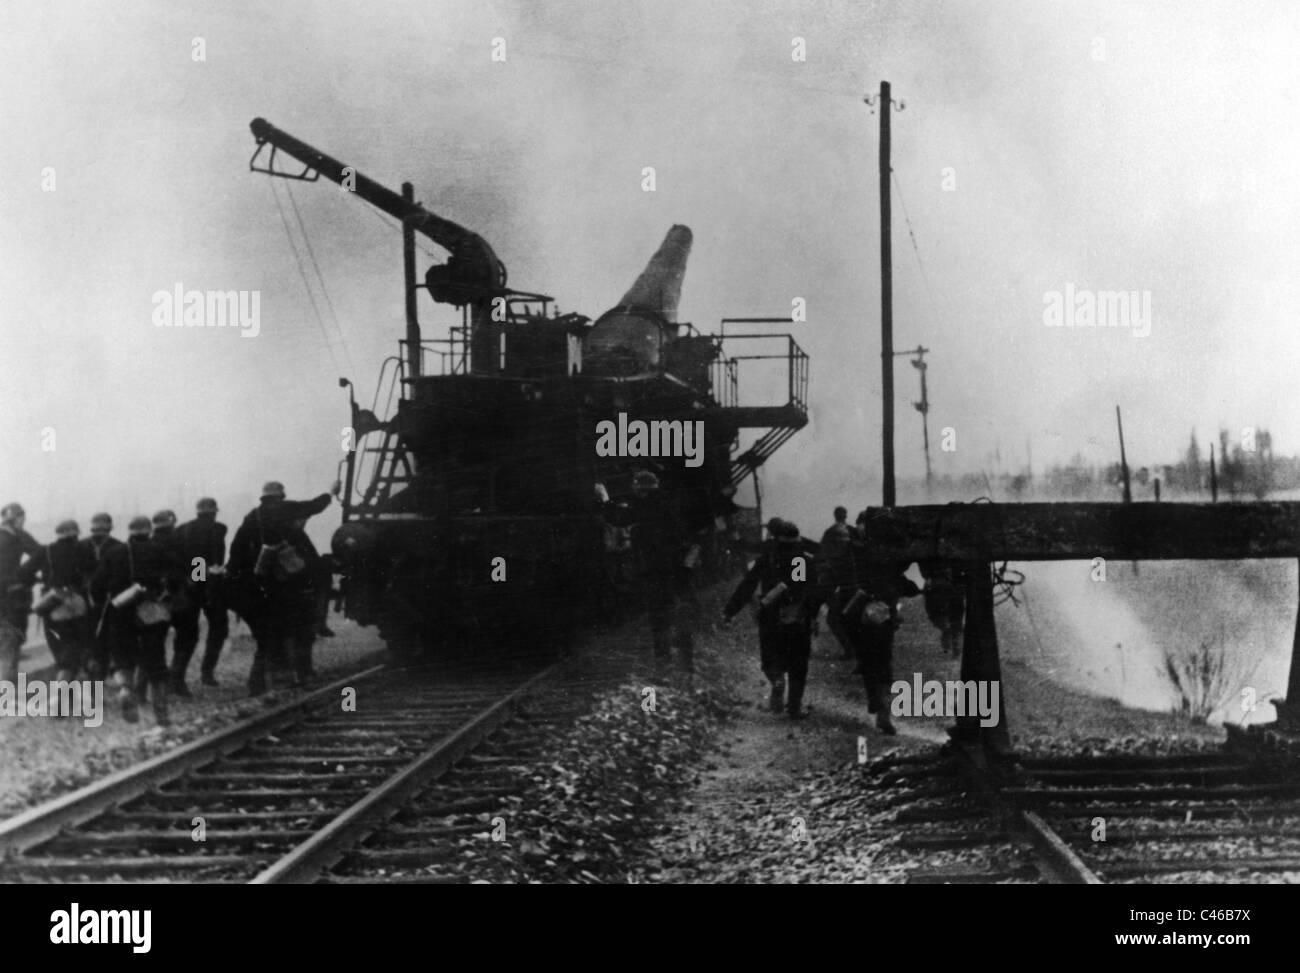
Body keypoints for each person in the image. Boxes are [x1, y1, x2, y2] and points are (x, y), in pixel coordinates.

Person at [226, 481, 334, 695]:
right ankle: (294, 676)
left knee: (268, 636)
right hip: (289, 584)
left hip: (260, 586)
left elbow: (235, 552)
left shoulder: (252, 517)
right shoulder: (289, 510)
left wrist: (226, 579)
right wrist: (331, 493)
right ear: (280, 496)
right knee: (296, 630)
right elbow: (314, 506)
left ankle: (260, 684)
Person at [723, 519, 818, 719]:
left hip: (770, 615)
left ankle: (776, 680)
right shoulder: (802, 559)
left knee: (770, 657)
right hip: (797, 616)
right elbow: (804, 588)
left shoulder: (767, 558)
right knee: (798, 663)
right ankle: (794, 707)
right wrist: (811, 613)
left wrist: (730, 610)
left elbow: (747, 585)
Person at [838, 512, 922, 734]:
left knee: (867, 662)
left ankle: (876, 702)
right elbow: (903, 582)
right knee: (884, 662)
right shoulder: (889, 556)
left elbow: (840, 577)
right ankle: (883, 711)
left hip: (858, 614)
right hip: (884, 616)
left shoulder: (854, 551)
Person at [95, 516, 179, 725]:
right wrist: (175, 594)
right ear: (149, 530)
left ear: (130, 531)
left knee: (122, 655)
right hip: (151, 609)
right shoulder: (160, 549)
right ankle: (162, 715)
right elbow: (181, 575)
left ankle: (126, 689)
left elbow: (96, 585)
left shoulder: (113, 553)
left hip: (120, 609)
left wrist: (108, 599)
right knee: (156, 658)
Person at [624, 470, 694, 671]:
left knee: (659, 614)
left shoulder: (645, 508)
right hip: (674, 567)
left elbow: (624, 518)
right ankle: (684, 658)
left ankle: (664, 658)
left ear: (641, 490)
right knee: (678, 609)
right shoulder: (669, 505)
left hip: (655, 568)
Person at [22, 520, 94, 682]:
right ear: (75, 534)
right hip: (78, 605)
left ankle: (63, 691)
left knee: (62, 654)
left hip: (53, 604)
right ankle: (80, 693)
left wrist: (41, 580)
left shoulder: (46, 551)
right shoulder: (84, 549)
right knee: (79, 650)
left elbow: (23, 573)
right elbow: (94, 575)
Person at [172, 498, 229, 692]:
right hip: (208, 587)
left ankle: (177, 677)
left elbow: (182, 558)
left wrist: (192, 578)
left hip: (189, 587)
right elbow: (205, 559)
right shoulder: (218, 528)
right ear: (214, 512)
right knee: (219, 628)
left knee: (187, 634)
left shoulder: (182, 530)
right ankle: (207, 672)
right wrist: (201, 579)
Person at [0, 503, 42, 685]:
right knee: (11, 644)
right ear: (15, 518)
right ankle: (5, 700)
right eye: (21, 517)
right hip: (11, 595)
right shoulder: (16, 536)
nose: (23, 521)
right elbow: (40, 553)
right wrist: (28, 575)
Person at [81, 513, 125, 680]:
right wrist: (199, 580)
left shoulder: (80, 545)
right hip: (108, 601)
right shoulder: (119, 546)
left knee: (87, 642)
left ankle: (90, 679)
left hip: (84, 602)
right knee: (105, 642)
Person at [817, 506, 859, 661]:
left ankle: (850, 650)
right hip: (855, 583)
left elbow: (822, 554)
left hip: (839, 583)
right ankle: (855, 650)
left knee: (833, 619)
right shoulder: (853, 533)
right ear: (846, 515)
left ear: (835, 515)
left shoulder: (830, 533)